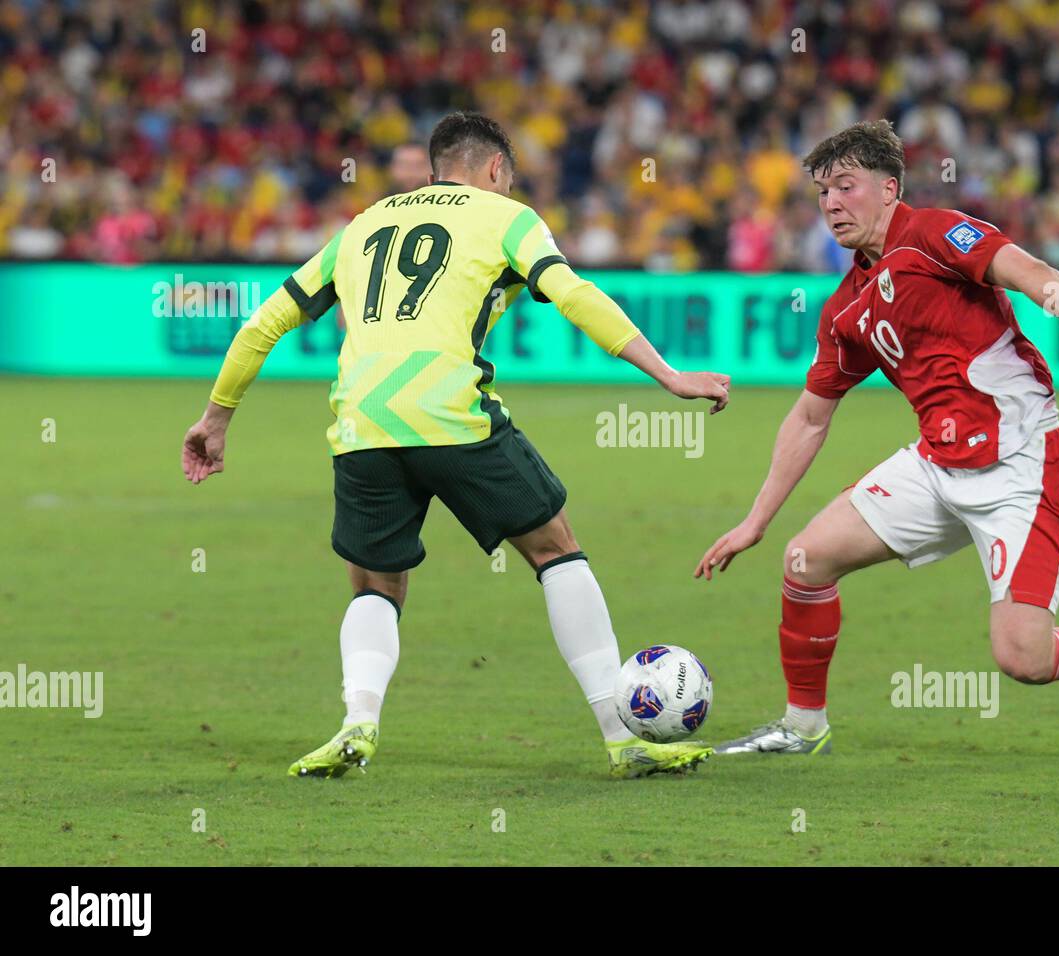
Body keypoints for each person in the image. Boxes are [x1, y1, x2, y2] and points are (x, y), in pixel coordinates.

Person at [182, 111, 730, 778]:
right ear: (497, 169)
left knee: (375, 586)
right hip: (451, 415)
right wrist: (669, 374)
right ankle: (623, 738)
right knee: (556, 548)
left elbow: (266, 319)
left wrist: (216, 419)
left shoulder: (362, 227)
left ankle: (359, 722)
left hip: (362, 425)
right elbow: (573, 295)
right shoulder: (508, 218)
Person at [695, 120, 1059, 755]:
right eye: (822, 193)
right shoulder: (846, 307)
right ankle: (803, 726)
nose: (832, 204)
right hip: (936, 467)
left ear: (891, 187)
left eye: (847, 186)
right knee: (805, 561)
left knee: (1024, 658)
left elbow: (1027, 270)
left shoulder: (932, 234)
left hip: (1022, 466)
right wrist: (755, 521)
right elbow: (811, 417)